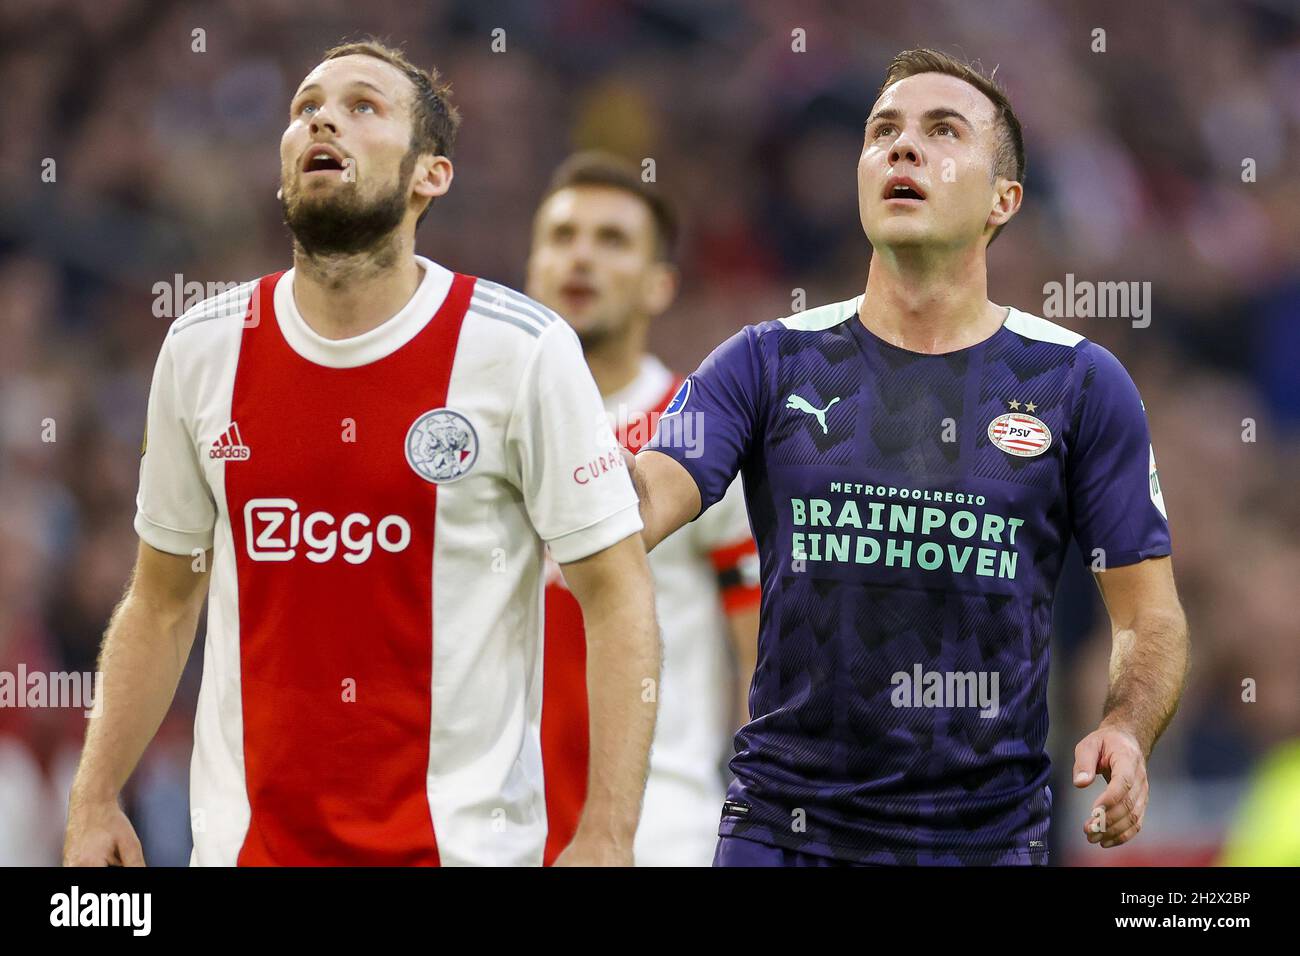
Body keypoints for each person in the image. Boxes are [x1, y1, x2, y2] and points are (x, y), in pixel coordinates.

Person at [63, 39, 659, 867]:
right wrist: (95, 796)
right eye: (306, 107)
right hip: (246, 852)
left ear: (430, 176)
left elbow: (617, 592)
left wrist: (607, 832)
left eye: (363, 106)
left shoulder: (520, 350)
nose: (322, 121)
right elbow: (161, 601)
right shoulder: (202, 349)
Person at [632, 48, 1190, 866]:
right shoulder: (762, 362)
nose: (902, 147)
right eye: (883, 132)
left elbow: (1149, 616)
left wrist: (1126, 727)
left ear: (1004, 199)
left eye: (943, 131)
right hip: (783, 832)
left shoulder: (1079, 383)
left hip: (986, 841)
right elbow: (642, 503)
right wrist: (546, 453)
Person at [525, 153, 761, 866]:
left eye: (613, 240)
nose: (581, 257)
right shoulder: (477, 428)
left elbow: (761, 649)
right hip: (495, 825)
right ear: (532, 266)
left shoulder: (698, 436)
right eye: (562, 236)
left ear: (661, 285)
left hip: (660, 827)